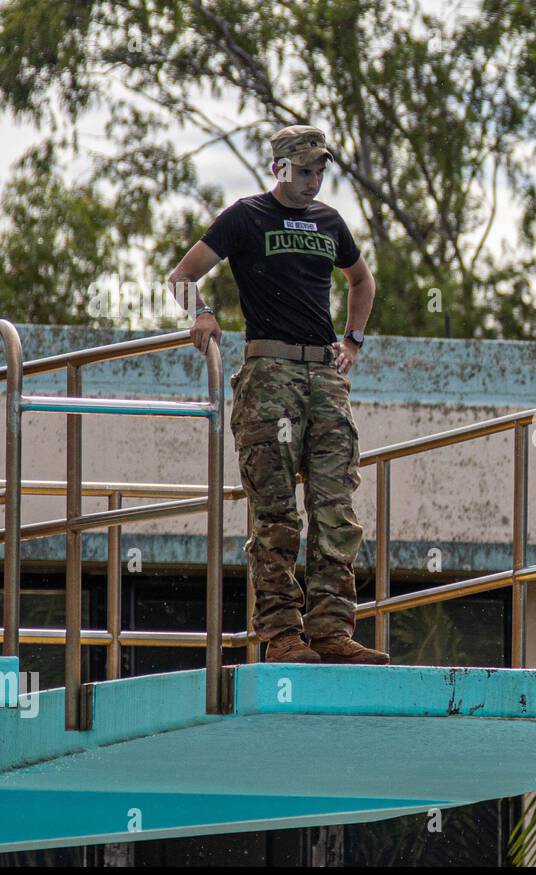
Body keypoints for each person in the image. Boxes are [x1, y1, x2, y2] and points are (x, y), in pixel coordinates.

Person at [167, 125, 388, 665]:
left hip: (324, 376)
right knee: (275, 513)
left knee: (336, 508)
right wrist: (200, 312)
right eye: (304, 169)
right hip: (269, 373)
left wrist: (353, 341)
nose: (314, 179)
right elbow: (181, 276)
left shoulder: (330, 222)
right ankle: (282, 632)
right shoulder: (245, 216)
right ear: (279, 168)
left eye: (320, 170)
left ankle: (333, 630)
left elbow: (363, 281)